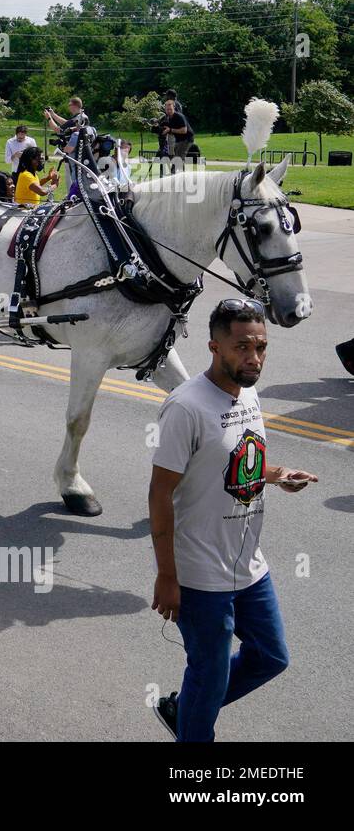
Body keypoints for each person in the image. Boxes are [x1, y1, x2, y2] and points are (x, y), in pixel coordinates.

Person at [149, 299, 318, 742]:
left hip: (247, 565)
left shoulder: (248, 392)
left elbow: (241, 461)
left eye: (261, 347)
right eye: (242, 347)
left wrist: (279, 475)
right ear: (214, 346)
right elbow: (160, 493)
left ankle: (186, 707)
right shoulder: (186, 407)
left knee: (271, 656)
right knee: (208, 676)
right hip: (200, 574)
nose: (254, 358)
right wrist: (168, 576)